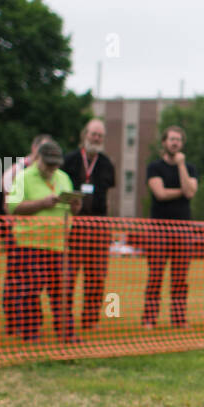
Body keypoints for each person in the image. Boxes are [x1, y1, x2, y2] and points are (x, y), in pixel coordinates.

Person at [5, 141, 80, 342]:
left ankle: (67, 332)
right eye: (48, 164)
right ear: (38, 158)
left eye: (55, 164)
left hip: (58, 244)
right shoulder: (23, 178)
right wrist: (41, 203)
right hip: (30, 244)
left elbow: (72, 212)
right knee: (30, 290)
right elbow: (12, 207)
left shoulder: (64, 178)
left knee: (63, 291)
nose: (52, 168)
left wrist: (75, 206)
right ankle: (30, 332)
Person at [63, 118, 116, 334]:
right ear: (85, 134)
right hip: (74, 225)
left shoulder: (106, 163)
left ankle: (90, 318)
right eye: (93, 134)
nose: (96, 138)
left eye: (100, 136)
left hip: (98, 225)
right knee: (68, 273)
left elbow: (109, 196)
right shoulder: (70, 160)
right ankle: (64, 316)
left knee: (96, 275)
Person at [142, 125, 198, 329]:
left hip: (183, 229)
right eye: (171, 139)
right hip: (159, 229)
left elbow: (190, 193)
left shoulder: (189, 168)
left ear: (182, 144)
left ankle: (179, 319)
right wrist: (182, 190)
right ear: (164, 142)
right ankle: (149, 318)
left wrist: (181, 166)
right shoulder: (154, 167)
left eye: (178, 140)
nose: (175, 143)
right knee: (156, 274)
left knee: (180, 277)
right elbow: (160, 194)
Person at [0, 134, 52, 336]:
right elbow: (8, 205)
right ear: (34, 148)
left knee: (35, 280)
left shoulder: (47, 173)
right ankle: (13, 321)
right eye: (42, 150)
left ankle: (30, 322)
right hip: (18, 234)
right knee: (15, 279)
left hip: (40, 235)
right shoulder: (16, 171)